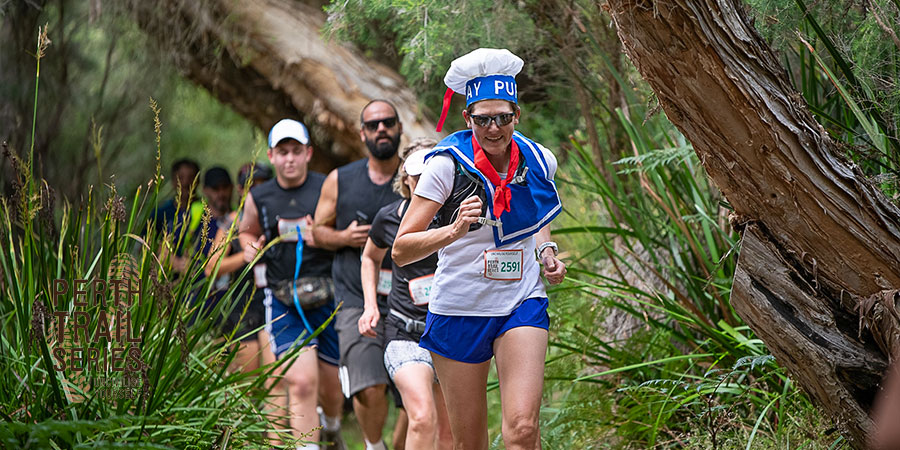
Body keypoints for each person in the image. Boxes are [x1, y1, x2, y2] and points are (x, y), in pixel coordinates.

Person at [392, 48, 567, 450]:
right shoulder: (446, 166)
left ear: (516, 115)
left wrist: (546, 253)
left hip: (519, 300)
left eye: (503, 118)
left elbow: (536, 220)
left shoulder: (540, 161)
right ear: (466, 118)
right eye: (483, 119)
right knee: (470, 442)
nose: (493, 129)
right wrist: (454, 230)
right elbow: (402, 249)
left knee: (522, 429)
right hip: (459, 308)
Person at [239, 119, 345, 450]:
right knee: (299, 383)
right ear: (271, 156)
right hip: (284, 299)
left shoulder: (327, 186)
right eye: (282, 152)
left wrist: (326, 233)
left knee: (331, 390)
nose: (289, 159)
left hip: (328, 296)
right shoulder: (259, 195)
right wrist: (248, 246)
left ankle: (332, 428)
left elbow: (344, 229)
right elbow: (247, 230)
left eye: (296, 151)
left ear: (308, 153)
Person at [313, 100, 404, 450]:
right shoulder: (341, 179)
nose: (381, 129)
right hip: (353, 297)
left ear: (398, 128)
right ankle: (374, 445)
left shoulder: (415, 178)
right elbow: (316, 231)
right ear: (362, 133)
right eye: (374, 124)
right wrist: (343, 237)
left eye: (388, 122)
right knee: (368, 385)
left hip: (411, 297)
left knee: (420, 389)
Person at [359, 138, 452, 450]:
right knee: (423, 417)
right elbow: (370, 258)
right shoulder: (389, 217)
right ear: (405, 179)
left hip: (450, 333)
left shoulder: (455, 216)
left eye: (431, 173)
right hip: (404, 332)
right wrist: (370, 306)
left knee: (449, 437)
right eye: (416, 174)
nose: (422, 180)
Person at [204, 163, 272, 373]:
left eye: (263, 185)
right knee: (248, 380)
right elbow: (211, 267)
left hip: (275, 302)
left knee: (275, 380)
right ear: (241, 190)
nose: (257, 191)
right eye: (252, 186)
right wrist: (246, 256)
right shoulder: (232, 222)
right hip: (243, 308)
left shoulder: (277, 216)